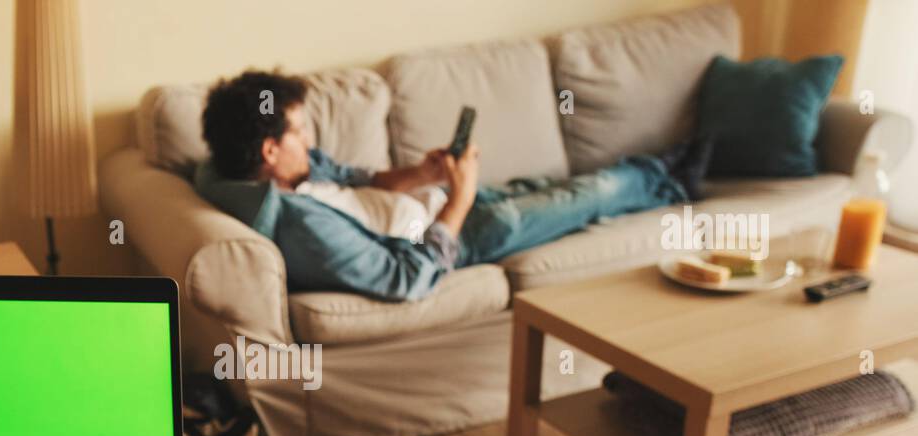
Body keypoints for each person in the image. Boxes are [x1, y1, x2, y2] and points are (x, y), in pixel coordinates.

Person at [195, 70, 691, 301]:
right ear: (269, 150)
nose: (310, 139)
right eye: (300, 131)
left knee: (554, 185)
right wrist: (462, 199)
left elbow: (359, 180)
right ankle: (668, 173)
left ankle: (664, 176)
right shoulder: (301, 229)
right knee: (588, 197)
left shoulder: (260, 171)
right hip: (460, 235)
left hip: (430, 202)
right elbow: (403, 277)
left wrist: (426, 175)